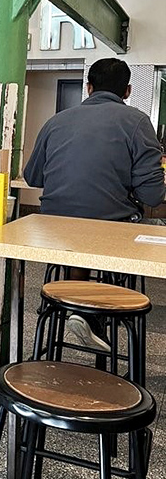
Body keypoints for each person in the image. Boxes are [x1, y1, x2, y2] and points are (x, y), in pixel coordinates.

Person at [24, 57, 166, 349]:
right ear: (127, 91)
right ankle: (95, 312)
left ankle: (75, 305)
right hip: (110, 229)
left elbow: (32, 177)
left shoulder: (56, 121)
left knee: (82, 234)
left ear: (88, 87)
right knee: (115, 231)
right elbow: (153, 196)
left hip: (55, 230)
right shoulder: (138, 122)